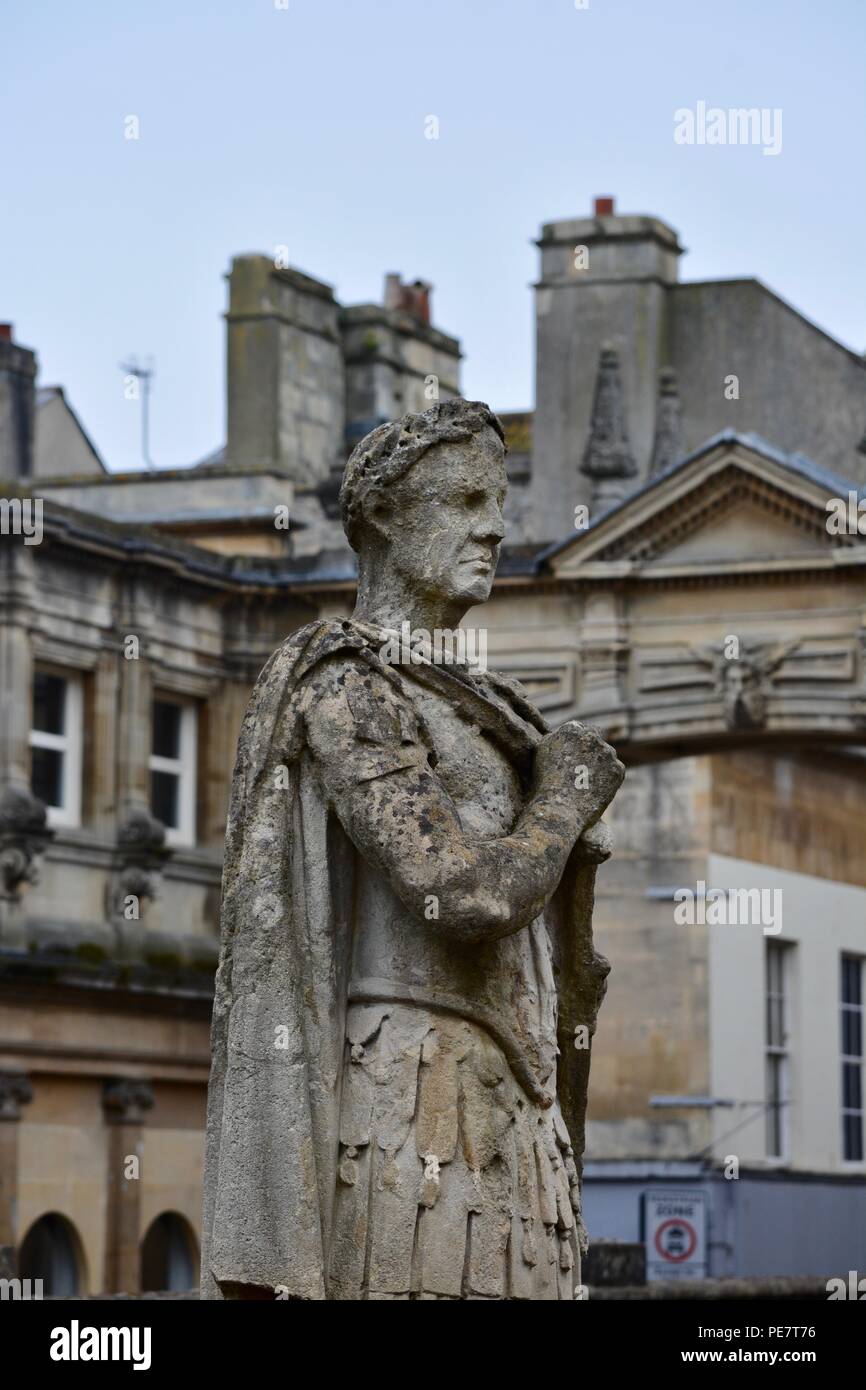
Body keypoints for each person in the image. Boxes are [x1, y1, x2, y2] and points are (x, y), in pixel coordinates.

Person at [201, 398, 624, 1300]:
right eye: (465, 501)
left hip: (516, 1110)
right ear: (385, 517)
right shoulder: (347, 684)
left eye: (498, 502)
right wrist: (562, 801)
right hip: (410, 1098)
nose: (495, 528)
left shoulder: (488, 706)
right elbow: (461, 897)